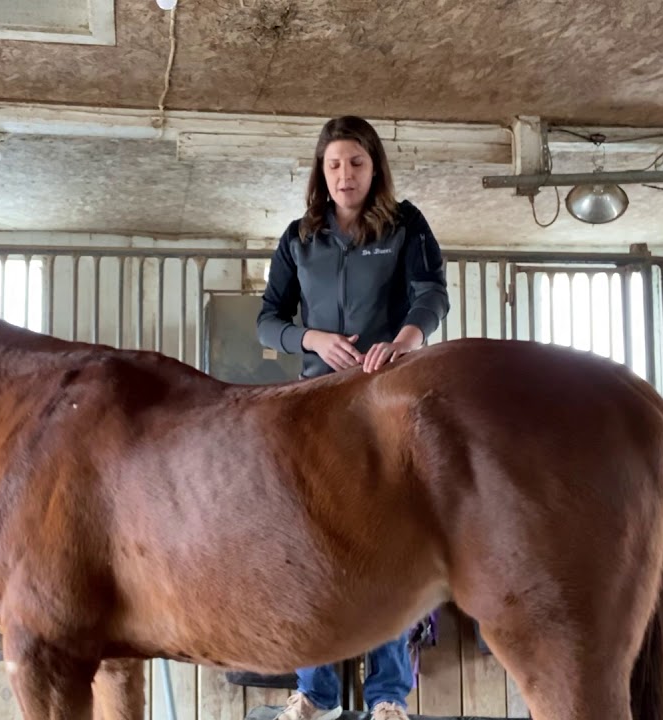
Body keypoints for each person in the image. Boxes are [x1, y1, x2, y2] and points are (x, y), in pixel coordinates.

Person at [255, 115, 450, 720]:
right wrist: (310, 337)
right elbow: (267, 318)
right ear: (322, 171)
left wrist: (406, 340)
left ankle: (388, 698)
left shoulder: (405, 224)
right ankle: (316, 693)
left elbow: (431, 293)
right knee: (314, 545)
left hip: (386, 397)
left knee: (387, 546)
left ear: (374, 168)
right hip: (319, 404)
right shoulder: (299, 237)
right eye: (334, 164)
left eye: (356, 163)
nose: (345, 175)